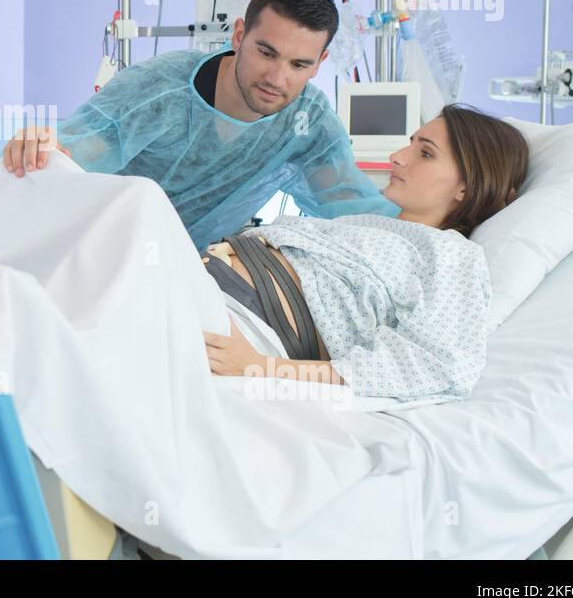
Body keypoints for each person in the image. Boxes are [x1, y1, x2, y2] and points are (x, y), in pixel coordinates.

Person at [3, 0, 398, 249]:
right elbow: (70, 159)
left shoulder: (307, 124)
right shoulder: (158, 90)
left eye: (299, 65)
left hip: (189, 275)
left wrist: (446, 223)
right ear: (240, 34)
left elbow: (355, 213)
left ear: (320, 62)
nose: (277, 78)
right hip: (99, 253)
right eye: (266, 52)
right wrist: (42, 148)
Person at [202, 104, 529, 399]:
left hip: (246, 320)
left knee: (148, 199)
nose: (398, 156)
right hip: (212, 282)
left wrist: (261, 367)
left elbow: (436, 364)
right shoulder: (369, 225)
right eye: (411, 143)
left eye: (425, 153)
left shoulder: (451, 255)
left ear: (467, 187)